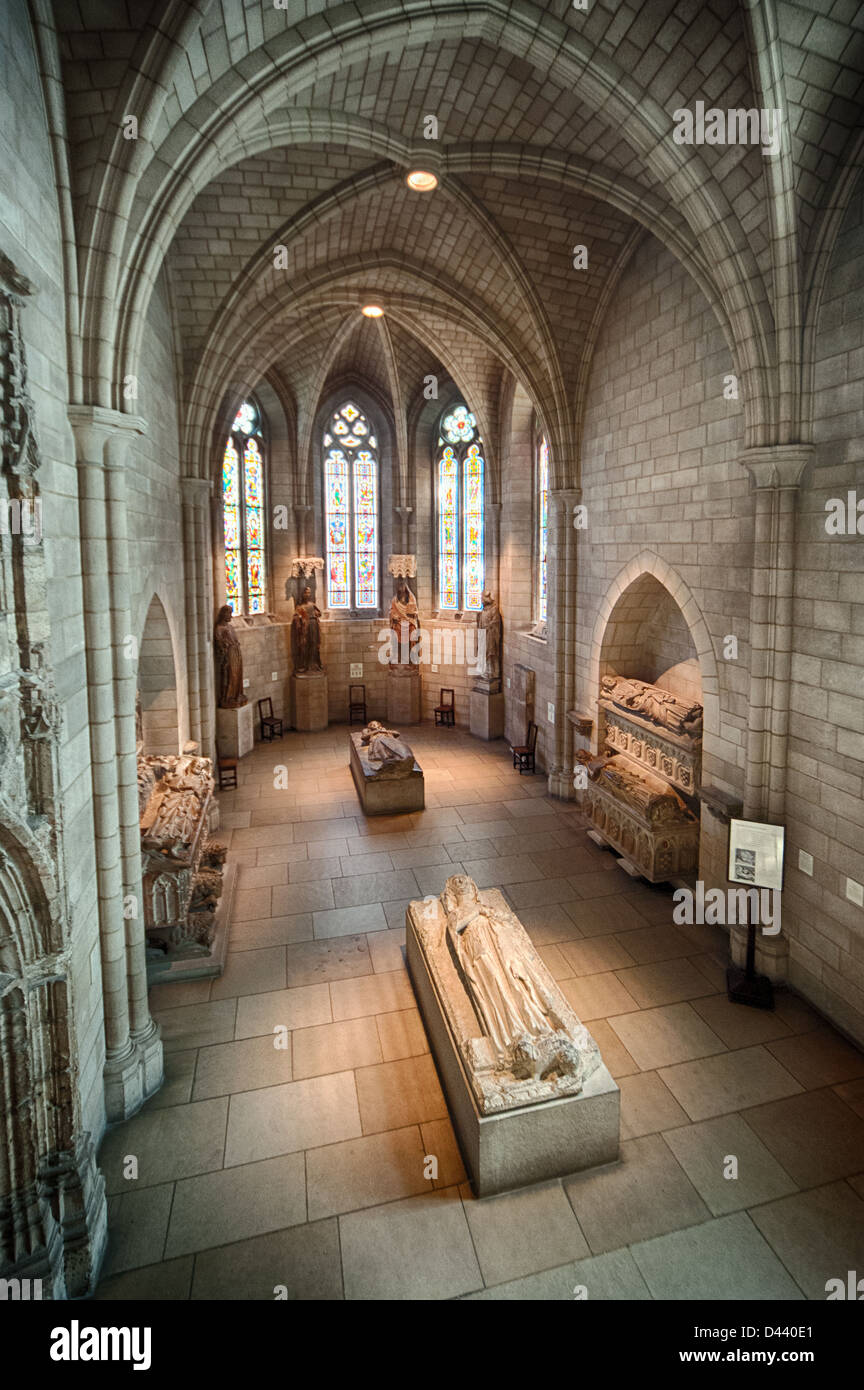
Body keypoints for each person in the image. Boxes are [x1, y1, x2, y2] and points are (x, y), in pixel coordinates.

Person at [214, 605, 246, 708]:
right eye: (229, 614)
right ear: (224, 614)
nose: (231, 616)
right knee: (230, 675)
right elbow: (219, 642)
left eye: (231, 614)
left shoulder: (230, 627)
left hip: (236, 653)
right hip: (229, 655)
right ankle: (228, 697)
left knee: (238, 675)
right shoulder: (219, 628)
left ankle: (237, 695)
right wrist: (225, 647)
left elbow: (235, 640)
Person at [291, 585, 323, 672]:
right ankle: (304, 665)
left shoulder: (312, 605)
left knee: (314, 643)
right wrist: (300, 618)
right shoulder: (300, 607)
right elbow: (296, 617)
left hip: (314, 625)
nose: (307, 594)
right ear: (302, 594)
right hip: (305, 627)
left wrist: (316, 614)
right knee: (304, 645)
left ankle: (314, 664)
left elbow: (320, 613)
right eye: (306, 592)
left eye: (309, 592)